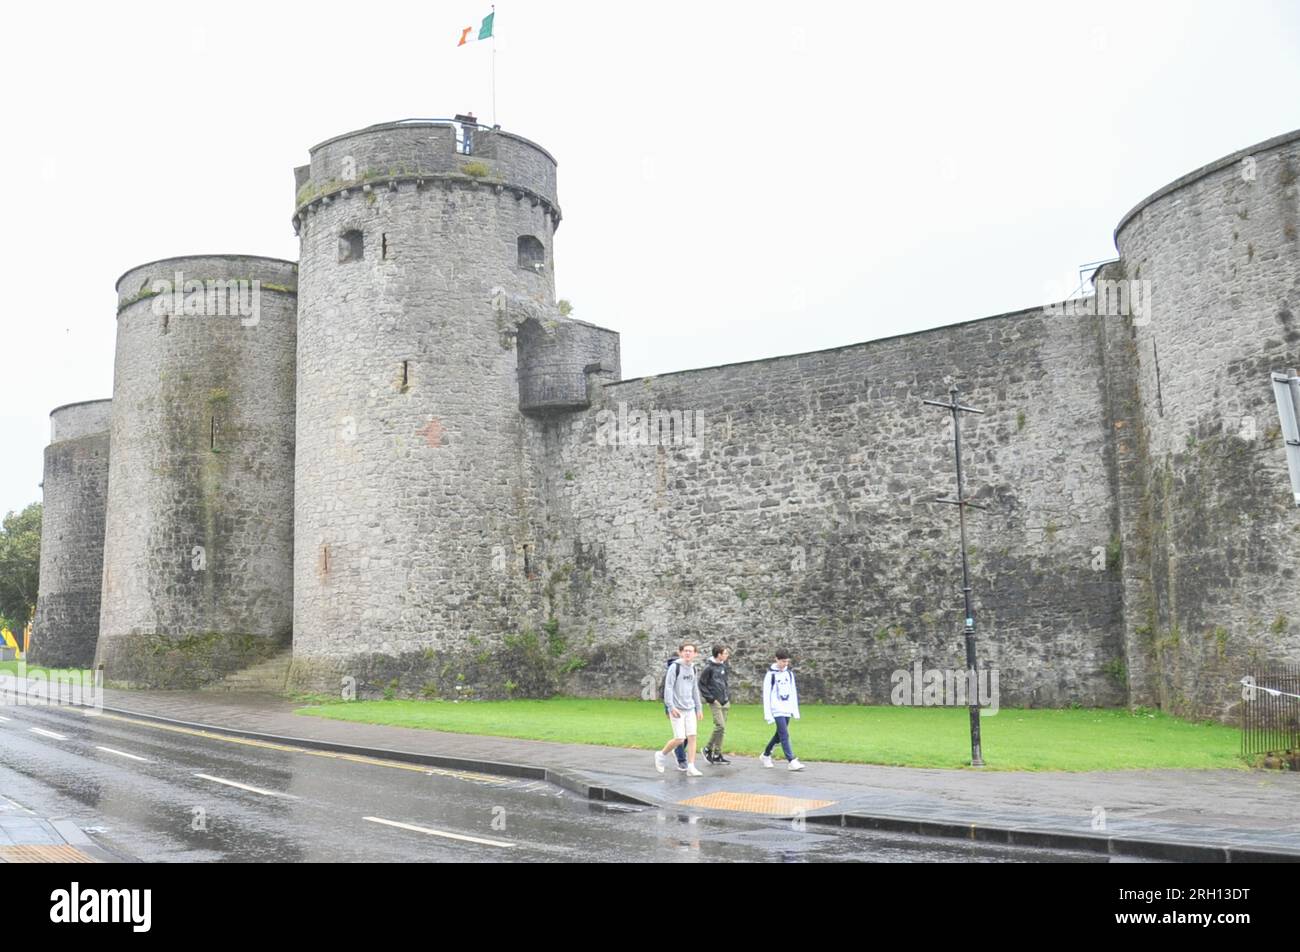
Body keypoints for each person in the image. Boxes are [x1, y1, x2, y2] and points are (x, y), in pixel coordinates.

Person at [654, 642, 704, 776]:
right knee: (680, 739)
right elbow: (668, 687)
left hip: (690, 708)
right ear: (681, 652)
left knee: (692, 736)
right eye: (685, 651)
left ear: (695, 654)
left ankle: (691, 766)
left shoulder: (693, 668)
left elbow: (694, 688)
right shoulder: (675, 667)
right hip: (677, 708)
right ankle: (661, 754)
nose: (688, 653)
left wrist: (699, 708)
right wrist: (670, 706)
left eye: (690, 651)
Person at [761, 648, 804, 771]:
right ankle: (791, 760)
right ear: (777, 660)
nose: (785, 664)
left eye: (787, 661)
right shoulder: (770, 675)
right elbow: (767, 695)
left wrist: (794, 710)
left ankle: (766, 754)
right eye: (783, 661)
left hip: (787, 708)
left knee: (779, 735)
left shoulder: (789, 674)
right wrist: (768, 714)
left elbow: (793, 692)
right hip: (776, 708)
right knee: (784, 734)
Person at [697, 645, 731, 764]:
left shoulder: (724, 666)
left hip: (725, 701)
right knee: (720, 726)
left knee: (722, 729)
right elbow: (701, 684)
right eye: (725, 653)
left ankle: (717, 753)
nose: (727, 655)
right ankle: (707, 749)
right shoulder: (709, 668)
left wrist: (727, 697)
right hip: (715, 702)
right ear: (719, 654)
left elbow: (724, 683)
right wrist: (710, 699)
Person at [663, 651, 688, 770]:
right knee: (680, 736)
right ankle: (681, 759)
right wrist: (668, 708)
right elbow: (667, 692)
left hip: (686, 707)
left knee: (687, 734)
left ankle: (677, 751)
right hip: (675, 707)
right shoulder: (672, 671)